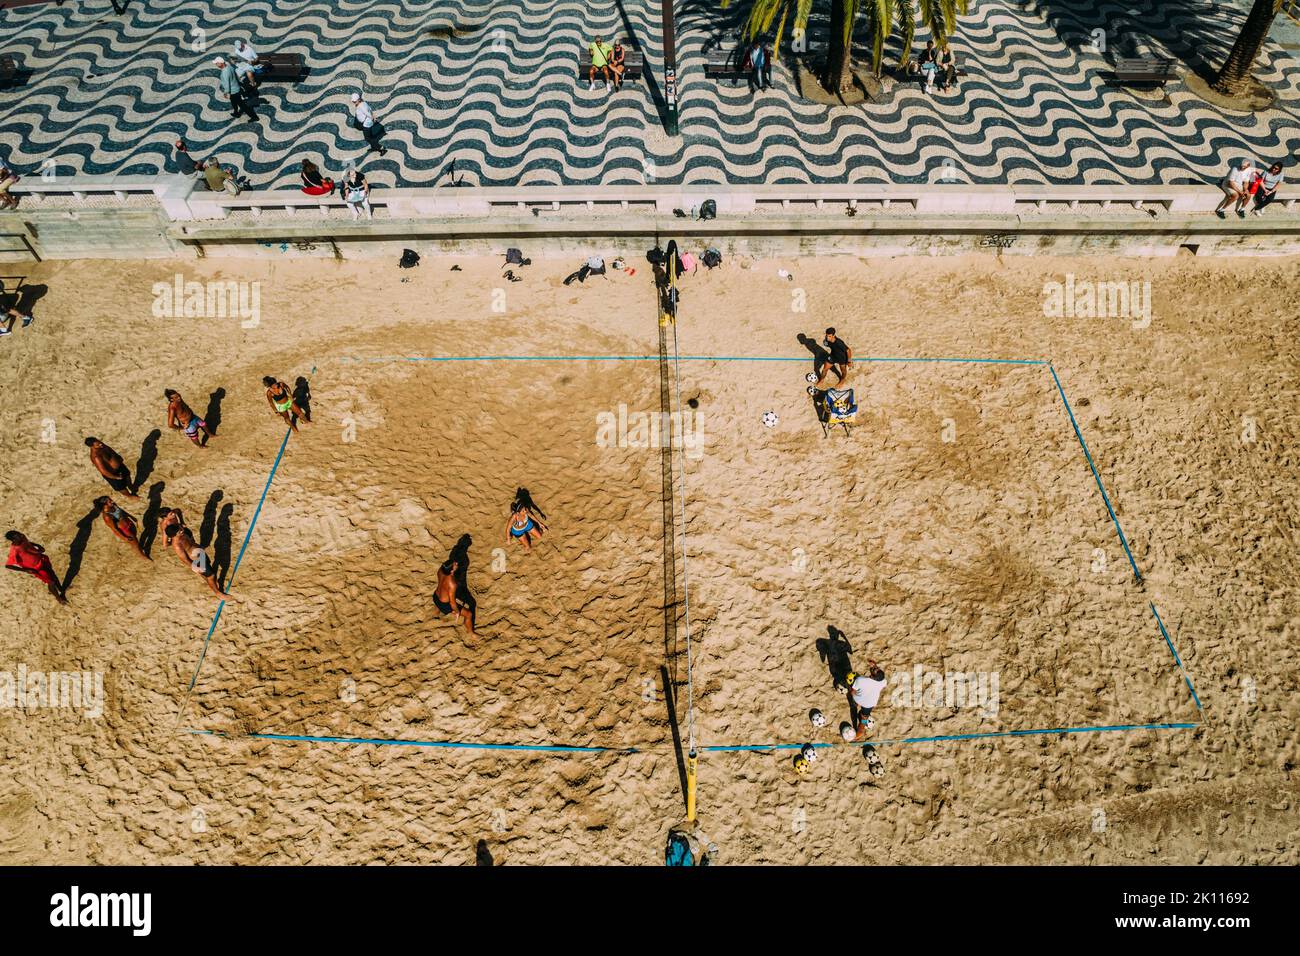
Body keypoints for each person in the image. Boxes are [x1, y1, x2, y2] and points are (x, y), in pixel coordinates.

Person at [161, 508, 227, 598]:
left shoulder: (182, 532)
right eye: (179, 531)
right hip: (196, 559)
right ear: (174, 535)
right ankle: (218, 593)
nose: (182, 530)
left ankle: (208, 580)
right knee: (211, 575)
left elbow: (178, 513)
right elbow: (185, 560)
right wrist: (195, 568)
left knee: (208, 569)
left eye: (180, 529)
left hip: (198, 551)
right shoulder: (177, 545)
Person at [4, 530, 67, 604]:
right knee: (50, 582)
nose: (21, 535)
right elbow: (8, 565)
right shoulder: (15, 550)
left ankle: (60, 588)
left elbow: (28, 543)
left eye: (19, 533)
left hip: (41, 559)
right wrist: (25, 570)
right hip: (36, 568)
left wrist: (38, 546)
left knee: (52, 573)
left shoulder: (22, 537)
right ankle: (59, 598)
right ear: (14, 540)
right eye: (18, 535)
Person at [95, 496, 149, 561]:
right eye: (109, 501)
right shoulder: (107, 516)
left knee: (135, 539)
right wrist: (124, 537)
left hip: (128, 523)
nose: (112, 501)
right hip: (123, 530)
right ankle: (142, 556)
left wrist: (131, 516)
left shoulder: (113, 505)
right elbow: (114, 529)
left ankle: (139, 549)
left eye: (111, 500)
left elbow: (122, 511)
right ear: (105, 505)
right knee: (134, 543)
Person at [433, 559, 476, 636]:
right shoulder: (452, 584)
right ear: (451, 571)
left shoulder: (441, 571)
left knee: (438, 603)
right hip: (445, 604)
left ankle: (435, 615)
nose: (456, 563)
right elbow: (452, 603)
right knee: (469, 614)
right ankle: (471, 633)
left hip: (436, 597)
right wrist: (457, 612)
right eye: (455, 564)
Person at [848, 661, 887, 741]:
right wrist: (874, 665)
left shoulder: (860, 680)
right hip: (869, 704)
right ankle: (858, 735)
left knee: (851, 688)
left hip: (858, 699)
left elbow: (852, 692)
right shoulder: (883, 682)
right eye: (877, 668)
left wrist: (851, 686)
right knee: (863, 720)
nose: (876, 667)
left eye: (875, 669)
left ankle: (856, 737)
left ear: (873, 676)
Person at [214, 56, 258, 122]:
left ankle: (254, 117)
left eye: (217, 63)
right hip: (236, 88)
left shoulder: (224, 73)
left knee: (242, 105)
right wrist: (239, 83)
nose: (216, 64)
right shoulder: (229, 67)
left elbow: (227, 84)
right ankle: (236, 113)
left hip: (233, 91)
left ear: (221, 63)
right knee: (233, 102)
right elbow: (236, 76)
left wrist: (227, 93)